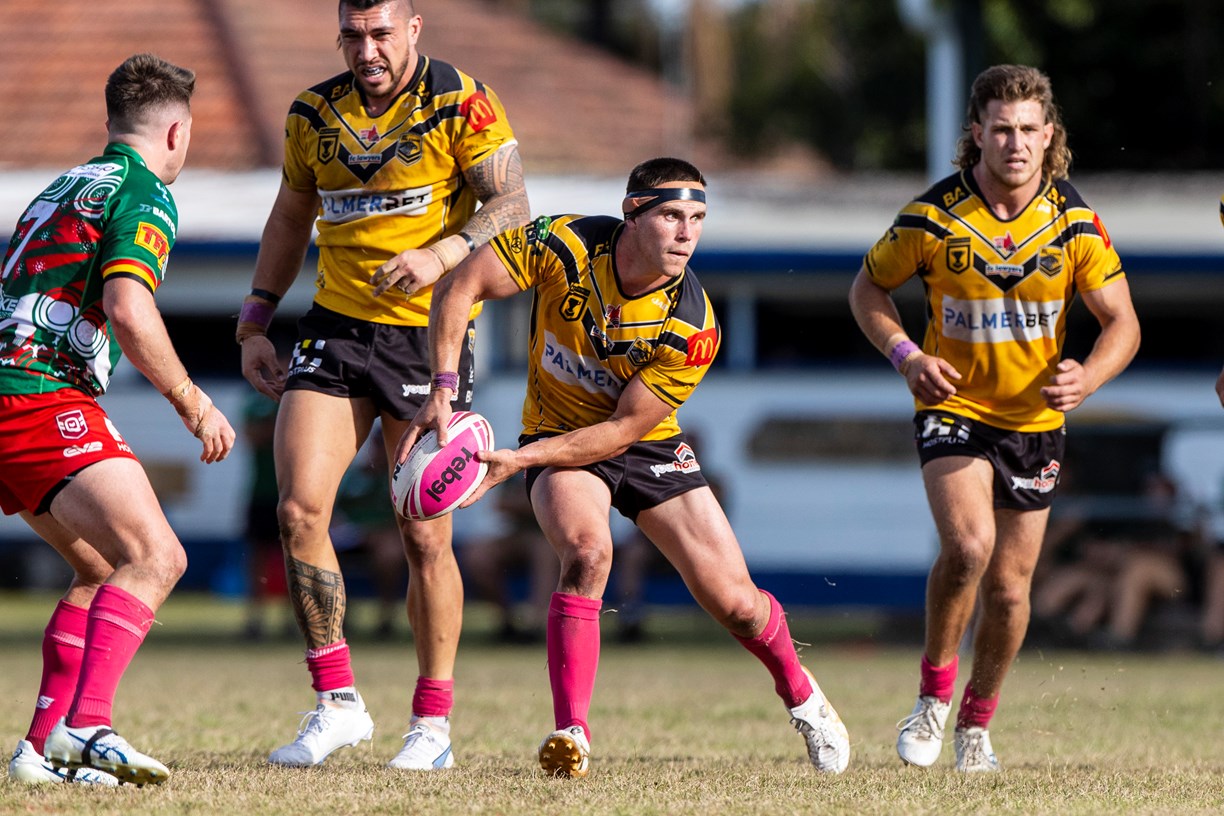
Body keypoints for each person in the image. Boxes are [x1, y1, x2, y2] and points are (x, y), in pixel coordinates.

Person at [399, 157, 850, 778]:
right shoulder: (562, 243)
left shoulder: (692, 324)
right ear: (632, 214)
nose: (687, 233)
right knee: (587, 554)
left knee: (739, 605)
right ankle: (571, 735)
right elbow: (460, 286)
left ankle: (803, 697)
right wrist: (444, 389)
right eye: (671, 216)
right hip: (560, 434)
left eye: (697, 218)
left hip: (642, 443)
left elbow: (622, 430)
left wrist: (519, 461)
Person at [235, 0, 529, 771]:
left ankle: (432, 725)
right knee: (299, 511)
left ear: (415, 29)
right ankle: (337, 703)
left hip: (427, 337)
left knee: (424, 532)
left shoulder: (462, 102)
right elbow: (291, 215)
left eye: (380, 34)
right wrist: (255, 320)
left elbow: (514, 203)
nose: (366, 50)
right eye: (352, 35)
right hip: (335, 327)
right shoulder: (313, 113)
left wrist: (442, 254)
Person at [849, 64, 1141, 772]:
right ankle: (931, 697)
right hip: (952, 408)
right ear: (976, 133)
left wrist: (1089, 375)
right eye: (1001, 130)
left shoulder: (1074, 224)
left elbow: (1122, 324)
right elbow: (867, 290)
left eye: (1028, 131)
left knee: (1011, 588)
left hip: (1034, 422)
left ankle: (976, 725)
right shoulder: (931, 216)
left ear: (1050, 138)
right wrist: (906, 355)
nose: (1014, 144)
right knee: (970, 548)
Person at [1, 53, 235, 787]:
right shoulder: (145, 193)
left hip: (12, 393)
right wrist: (192, 399)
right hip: (38, 396)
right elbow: (132, 311)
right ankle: (88, 726)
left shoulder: (64, 185)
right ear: (176, 134)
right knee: (159, 558)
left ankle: (39, 752)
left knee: (99, 568)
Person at [459, 475, 559, 644]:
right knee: (478, 556)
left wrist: (526, 503)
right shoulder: (521, 461)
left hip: (553, 538)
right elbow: (501, 503)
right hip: (517, 533)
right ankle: (507, 621)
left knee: (544, 550)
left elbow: (560, 506)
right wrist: (533, 504)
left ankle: (537, 624)